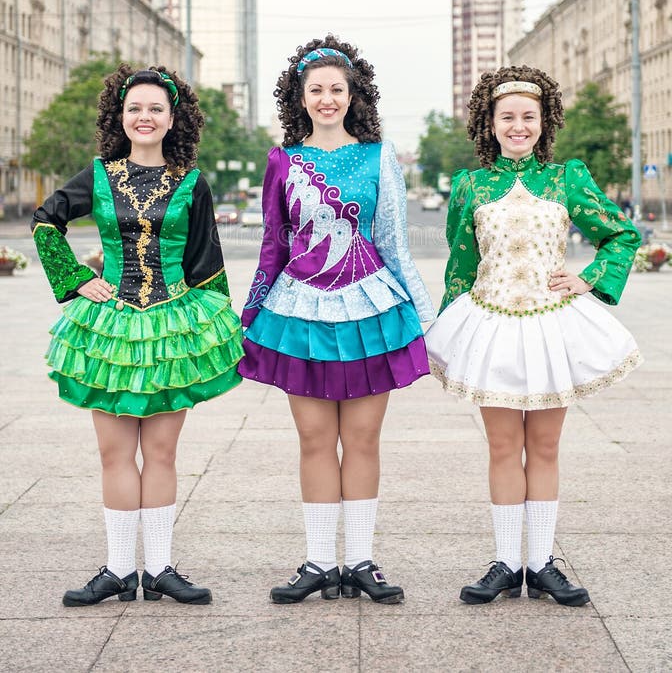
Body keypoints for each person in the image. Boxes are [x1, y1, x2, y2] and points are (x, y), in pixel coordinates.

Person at [425, 66, 642, 607]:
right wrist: (447, 333)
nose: (518, 127)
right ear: (490, 123)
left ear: (543, 123)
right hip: (492, 323)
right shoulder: (471, 185)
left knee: (544, 445)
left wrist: (587, 277)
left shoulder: (568, 177)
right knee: (503, 445)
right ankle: (506, 563)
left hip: (551, 326)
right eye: (507, 118)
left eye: (528, 117)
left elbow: (621, 234)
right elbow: (460, 263)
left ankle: (542, 563)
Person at [32, 64, 244, 607]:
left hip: (173, 328)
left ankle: (160, 568)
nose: (144, 117)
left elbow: (207, 265)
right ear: (120, 118)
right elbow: (45, 220)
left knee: (163, 453)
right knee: (114, 453)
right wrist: (78, 281)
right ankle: (118, 570)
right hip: (112, 328)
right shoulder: (99, 175)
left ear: (174, 119)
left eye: (155, 109)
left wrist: (215, 330)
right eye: (135, 109)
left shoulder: (193, 183)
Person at [239, 36, 434, 604]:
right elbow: (273, 243)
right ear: (300, 98)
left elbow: (394, 242)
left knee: (365, 439)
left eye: (336, 90)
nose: (327, 99)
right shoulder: (283, 160)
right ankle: (321, 561)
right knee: (314, 439)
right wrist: (250, 313)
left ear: (354, 96)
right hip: (299, 312)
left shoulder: (379, 155)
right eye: (316, 90)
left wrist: (426, 317)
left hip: (371, 310)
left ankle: (361, 563)